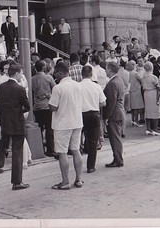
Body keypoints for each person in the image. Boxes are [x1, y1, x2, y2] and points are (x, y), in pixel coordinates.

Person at [0, 63, 31, 190]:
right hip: (17, 122)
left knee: (3, 143)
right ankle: (17, 181)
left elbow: (0, 103)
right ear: (17, 73)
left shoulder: (2, 87)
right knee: (17, 151)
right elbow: (27, 106)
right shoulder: (20, 89)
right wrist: (19, 111)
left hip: (5, 120)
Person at [48, 62, 84, 190]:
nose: (55, 77)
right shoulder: (78, 86)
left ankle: (65, 181)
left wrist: (49, 100)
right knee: (76, 150)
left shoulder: (58, 88)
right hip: (77, 121)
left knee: (62, 153)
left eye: (55, 74)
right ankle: (79, 179)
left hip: (62, 124)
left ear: (59, 73)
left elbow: (53, 107)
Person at [80, 65, 106, 173]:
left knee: (78, 137)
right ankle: (91, 166)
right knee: (93, 141)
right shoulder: (97, 86)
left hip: (81, 113)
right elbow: (103, 102)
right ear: (91, 74)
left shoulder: (78, 86)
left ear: (82, 74)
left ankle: (78, 158)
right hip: (94, 113)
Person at [31, 60, 56, 157]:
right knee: (49, 129)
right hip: (47, 105)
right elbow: (55, 89)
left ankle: (40, 148)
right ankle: (50, 149)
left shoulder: (32, 79)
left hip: (37, 106)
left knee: (40, 128)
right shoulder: (48, 78)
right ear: (43, 67)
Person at [103, 62, 125, 168]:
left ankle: (118, 159)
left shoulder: (112, 83)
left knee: (115, 137)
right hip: (119, 111)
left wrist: (106, 116)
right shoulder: (118, 80)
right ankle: (117, 158)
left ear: (110, 69)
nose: (105, 71)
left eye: (106, 69)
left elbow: (111, 102)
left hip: (114, 113)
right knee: (116, 137)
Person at [126, 60, 144, 127]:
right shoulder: (136, 73)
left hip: (130, 90)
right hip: (136, 90)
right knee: (136, 107)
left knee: (132, 108)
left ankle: (133, 120)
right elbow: (141, 80)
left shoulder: (127, 73)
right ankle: (136, 121)